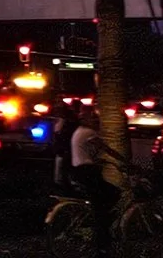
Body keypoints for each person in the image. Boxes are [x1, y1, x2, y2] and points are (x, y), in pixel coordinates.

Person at [65, 106, 119, 249]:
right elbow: (107, 149)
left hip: (79, 171)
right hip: (87, 173)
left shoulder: (79, 132)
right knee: (108, 199)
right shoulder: (89, 132)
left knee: (103, 199)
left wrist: (97, 161)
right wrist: (126, 163)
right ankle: (101, 243)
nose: (96, 120)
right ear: (85, 119)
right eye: (93, 117)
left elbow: (84, 153)